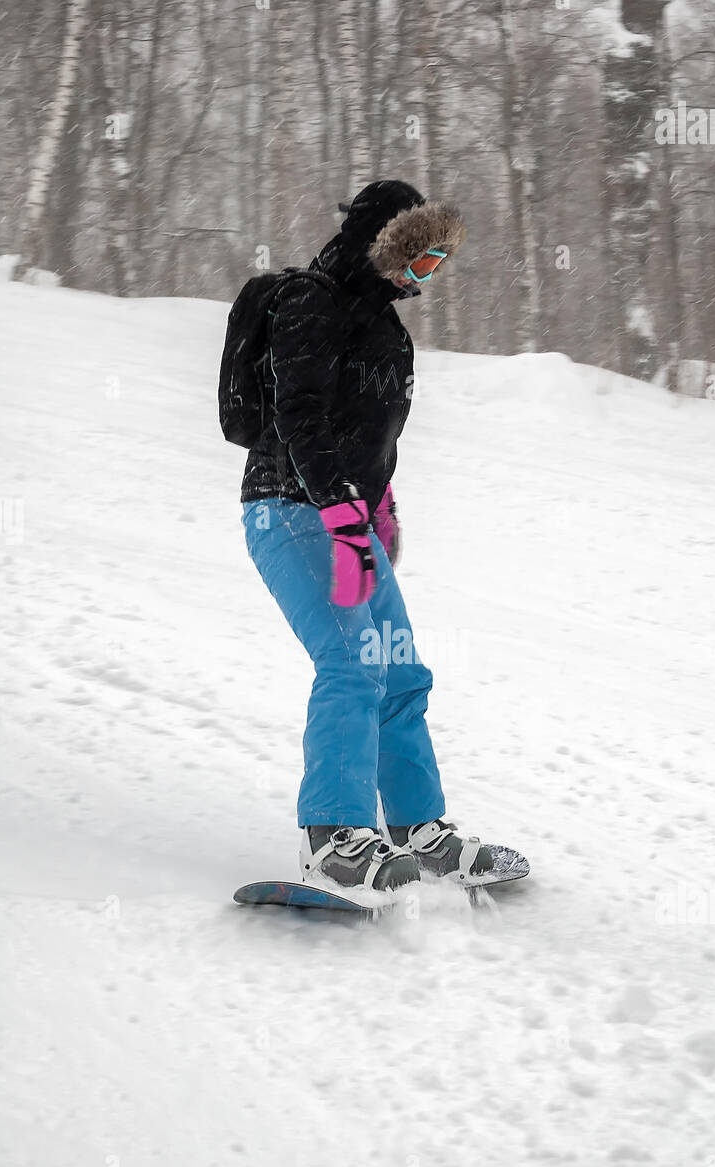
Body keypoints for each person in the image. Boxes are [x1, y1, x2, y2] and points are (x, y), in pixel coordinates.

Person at [241, 178, 492, 893]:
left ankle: (416, 830)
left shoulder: (385, 330)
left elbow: (370, 436)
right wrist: (343, 510)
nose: (423, 279)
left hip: (348, 519)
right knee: (352, 662)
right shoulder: (309, 304)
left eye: (435, 267)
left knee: (402, 670)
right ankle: (333, 839)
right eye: (417, 261)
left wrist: (375, 507)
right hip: (288, 511)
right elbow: (301, 413)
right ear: (381, 244)